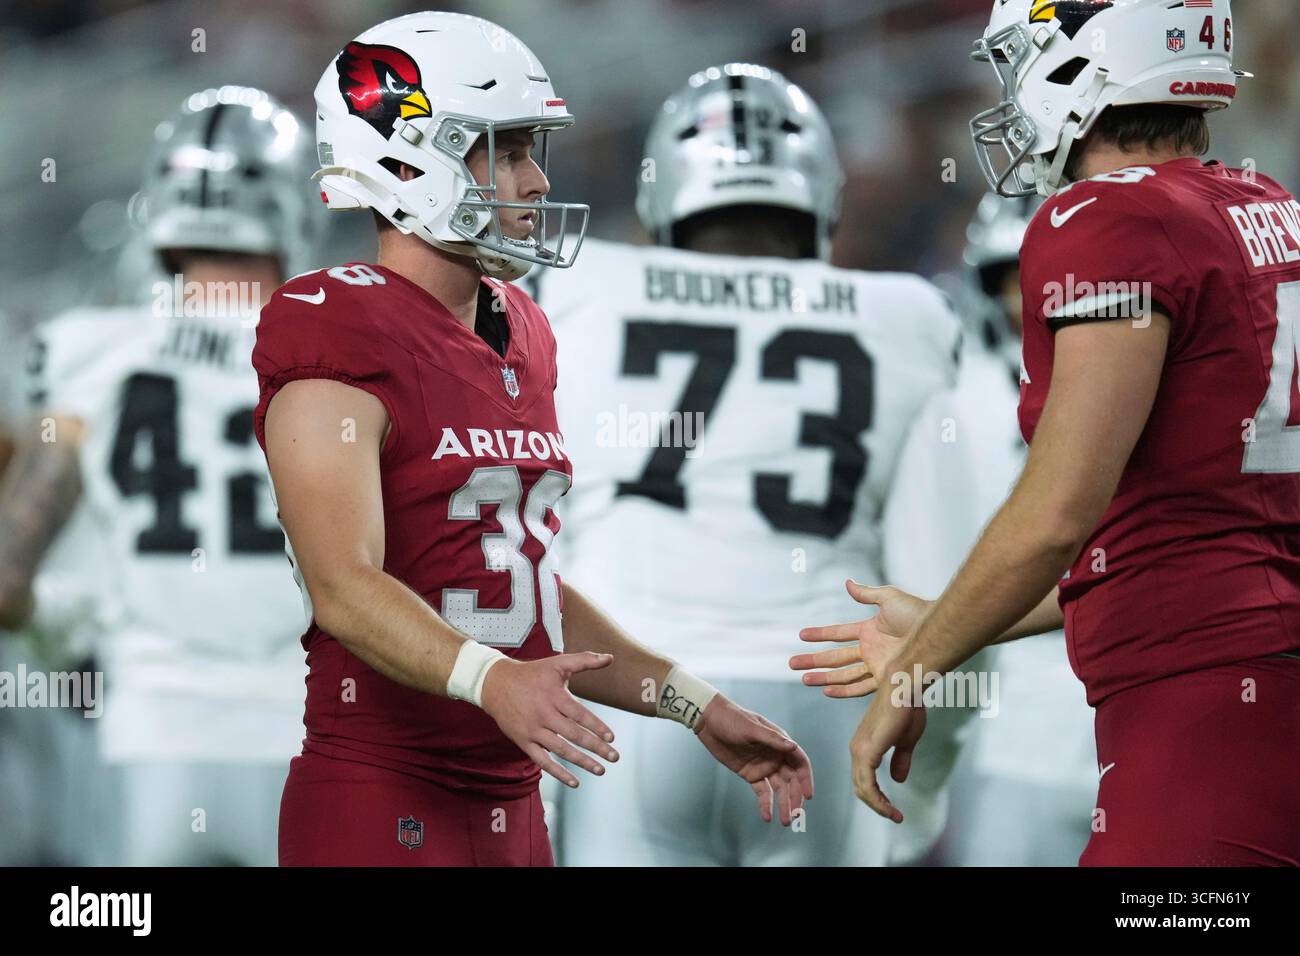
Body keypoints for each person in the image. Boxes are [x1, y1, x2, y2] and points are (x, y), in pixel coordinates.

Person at [255, 12, 812, 868]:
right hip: (379, 797)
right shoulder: (336, 325)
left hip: (517, 806)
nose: (535, 182)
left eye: (531, 151)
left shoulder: (522, 326)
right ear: (409, 161)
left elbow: (528, 590)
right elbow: (345, 587)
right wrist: (491, 680)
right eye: (506, 152)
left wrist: (695, 705)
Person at [794, 0, 1300, 866]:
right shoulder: (1263, 203)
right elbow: (1163, 531)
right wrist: (953, 621)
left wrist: (918, 664)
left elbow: (1061, 510)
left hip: (1197, 705)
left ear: (1085, 64)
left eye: (1020, 58)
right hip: (1255, 685)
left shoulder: (1106, 218)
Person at [535, 63, 963, 866]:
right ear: (821, 193)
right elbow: (940, 582)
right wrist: (930, 785)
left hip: (636, 693)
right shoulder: (910, 315)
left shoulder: (575, 290)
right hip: (826, 701)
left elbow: (528, 526)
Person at [0, 86, 316, 865]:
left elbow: (7, 584)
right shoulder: (344, 359)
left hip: (152, 741)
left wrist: (74, 637)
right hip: (307, 744)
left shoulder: (91, 352)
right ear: (290, 210)